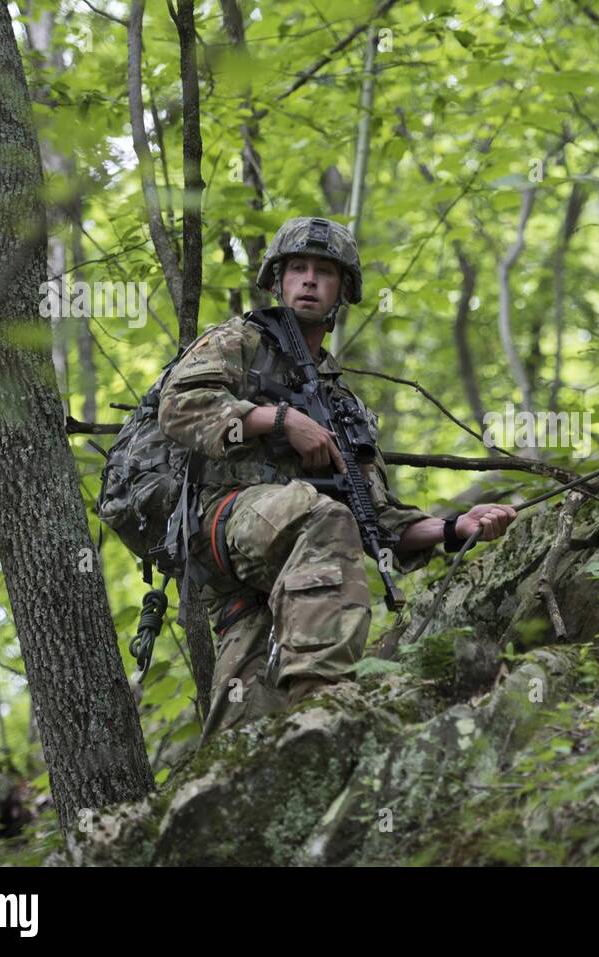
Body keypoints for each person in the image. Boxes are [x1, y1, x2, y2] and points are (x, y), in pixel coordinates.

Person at [157, 215, 516, 738]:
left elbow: (377, 520)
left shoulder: (343, 406)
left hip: (285, 565)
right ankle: (320, 708)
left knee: (243, 709)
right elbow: (181, 407)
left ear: (342, 290)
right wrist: (280, 420)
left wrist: (454, 527)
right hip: (225, 521)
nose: (308, 280)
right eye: (297, 269)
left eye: (323, 272)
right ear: (277, 282)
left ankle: (241, 776)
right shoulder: (239, 341)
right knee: (324, 519)